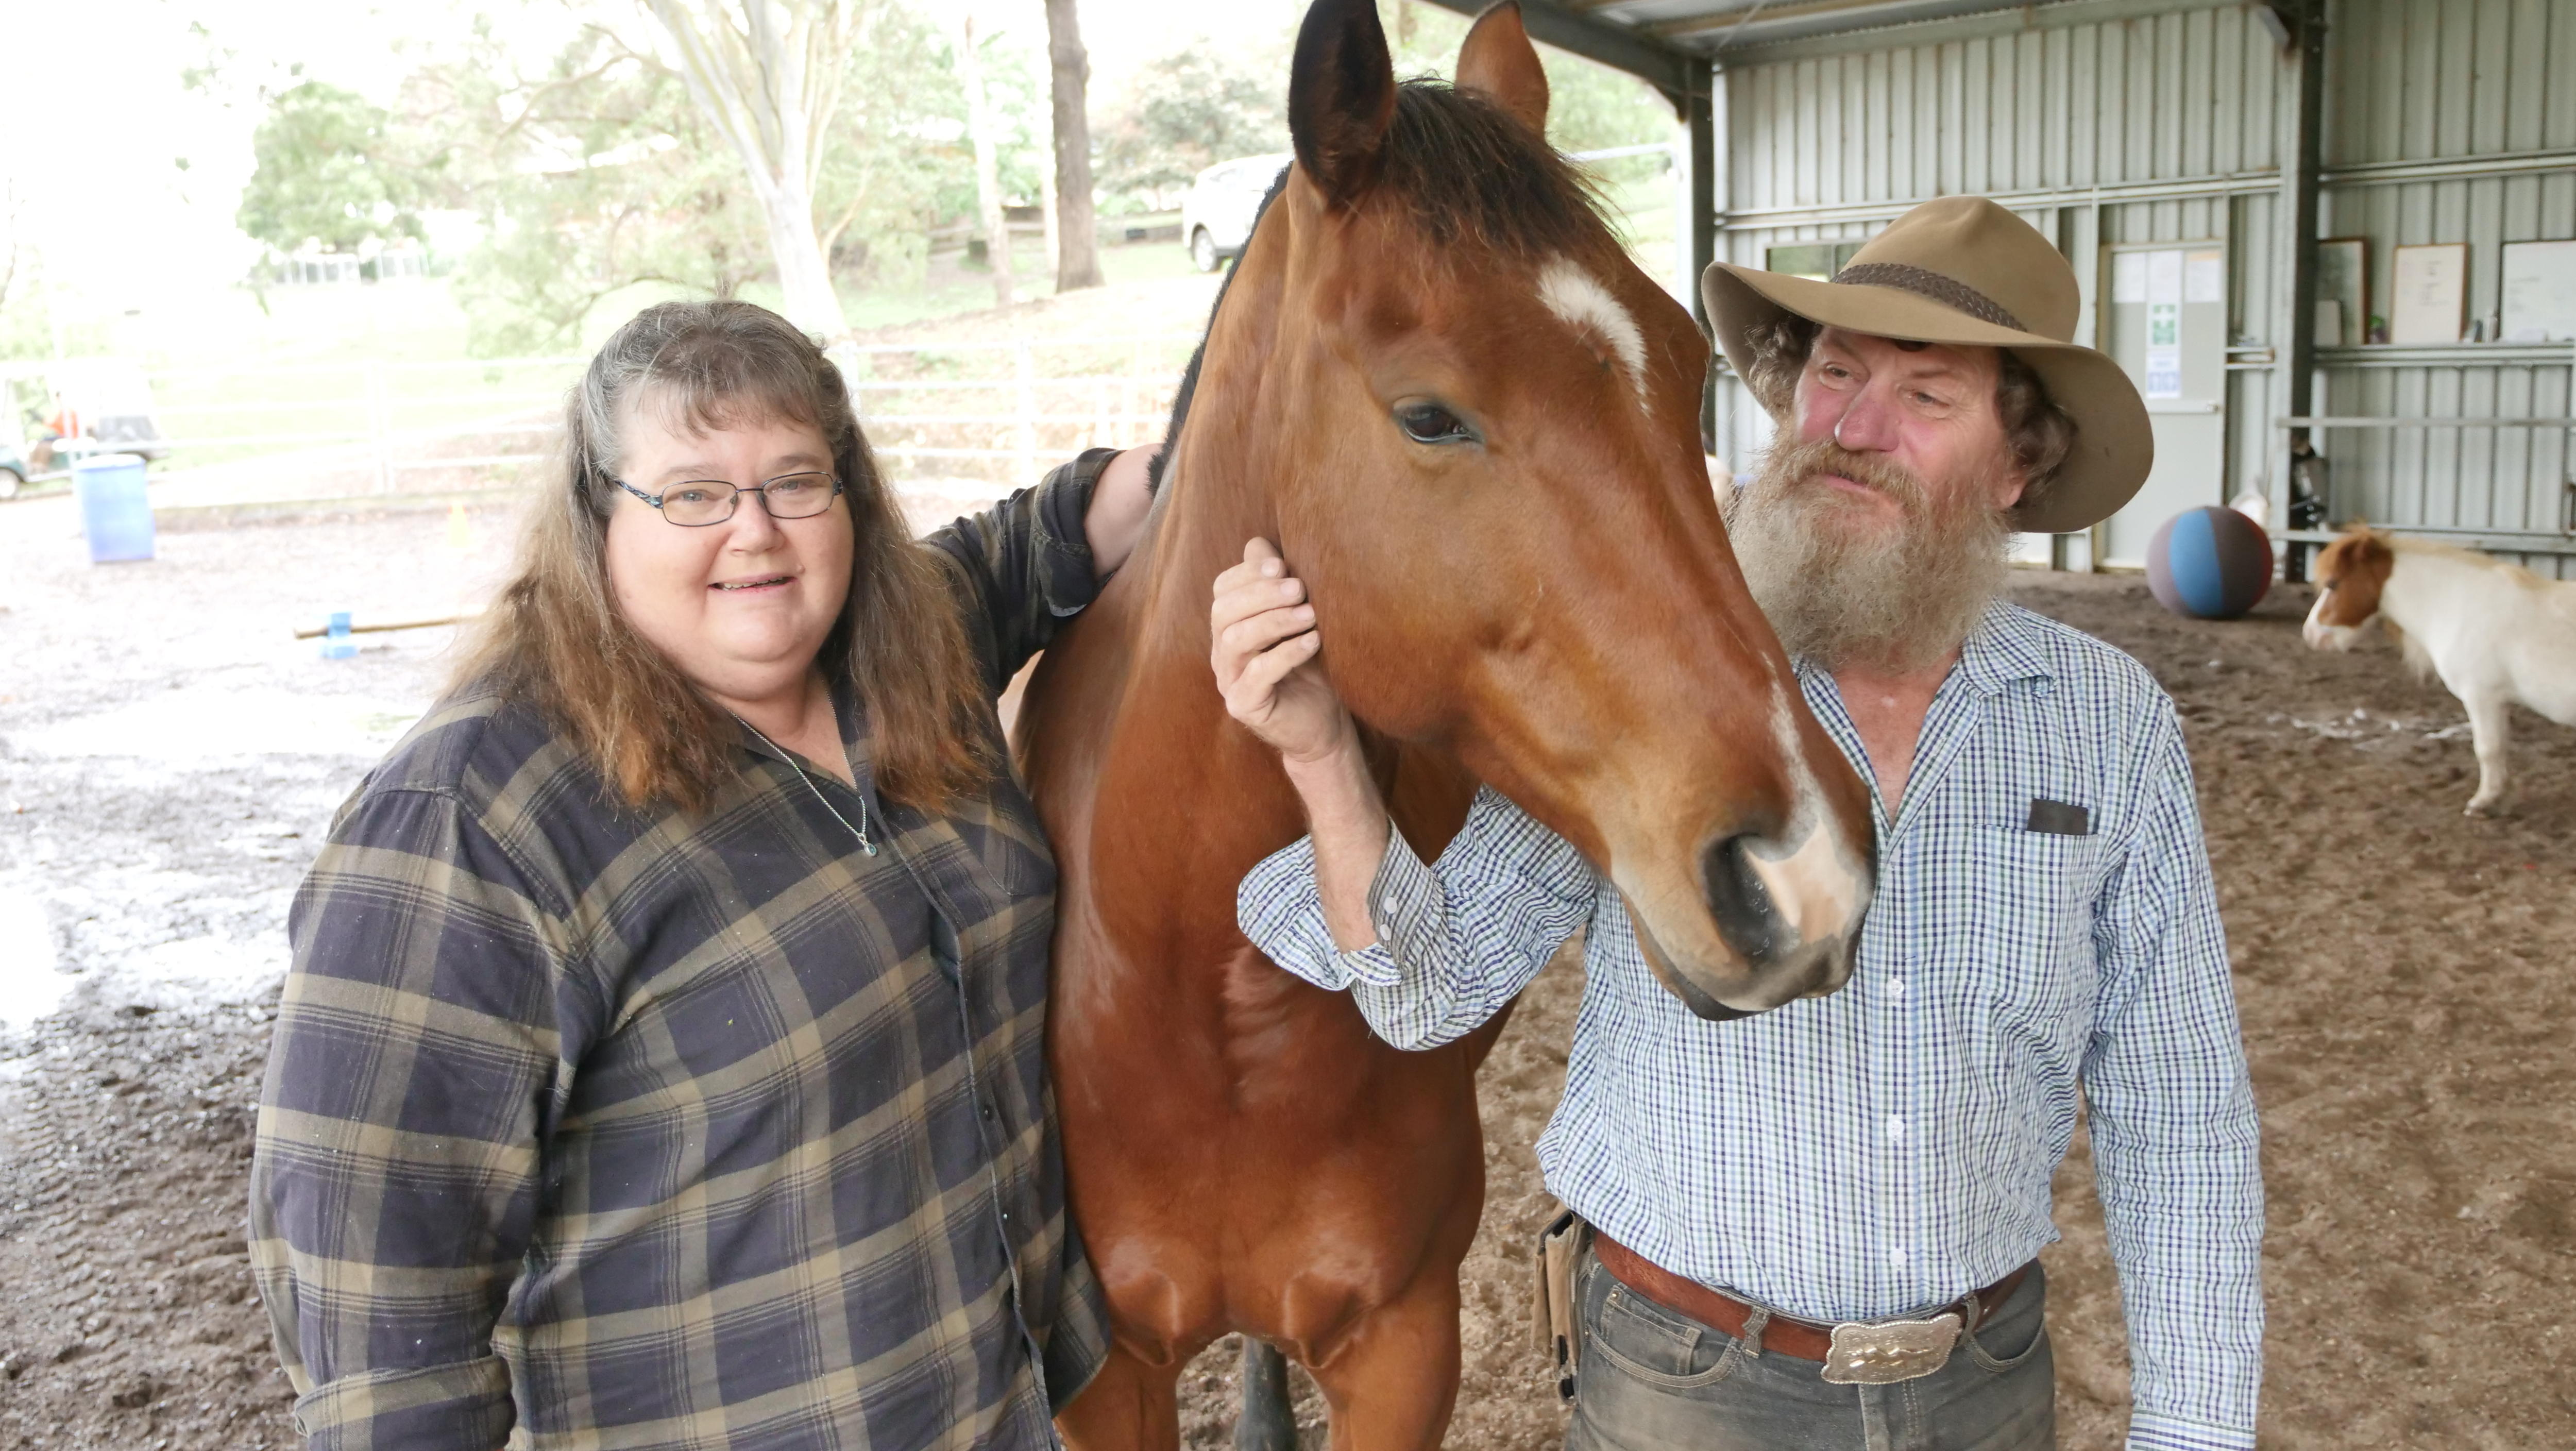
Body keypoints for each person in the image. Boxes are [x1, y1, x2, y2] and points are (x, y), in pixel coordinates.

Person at [1210, 197, 2261, 1451]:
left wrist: (2195, 1432)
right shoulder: (1654, 678)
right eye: (1833, 372)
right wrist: (1323, 753)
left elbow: (2178, 1113)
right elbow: (1432, 991)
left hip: (1983, 1380)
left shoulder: (2106, 723)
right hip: (1689, 1386)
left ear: (2016, 463)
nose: (1852, 430)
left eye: (1925, 399)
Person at [249, 299, 1155, 1450]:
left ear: (850, 500)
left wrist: (1186, 456)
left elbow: (1018, 550)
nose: (756, 531)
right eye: (693, 494)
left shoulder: (899, 662)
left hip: (996, 1406)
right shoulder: (475, 817)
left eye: (794, 480)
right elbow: (373, 1285)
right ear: (598, 515)